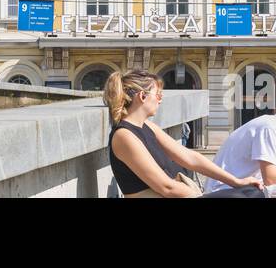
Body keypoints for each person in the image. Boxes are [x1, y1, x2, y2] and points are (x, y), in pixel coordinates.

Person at [104, 69, 263, 198]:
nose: (160, 100)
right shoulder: (124, 136)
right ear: (142, 96)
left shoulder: (147, 127)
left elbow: (190, 157)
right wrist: (198, 195)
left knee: (252, 192)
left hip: (180, 193)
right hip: (174, 194)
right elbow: (165, 187)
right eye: (158, 94)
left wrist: (236, 181)